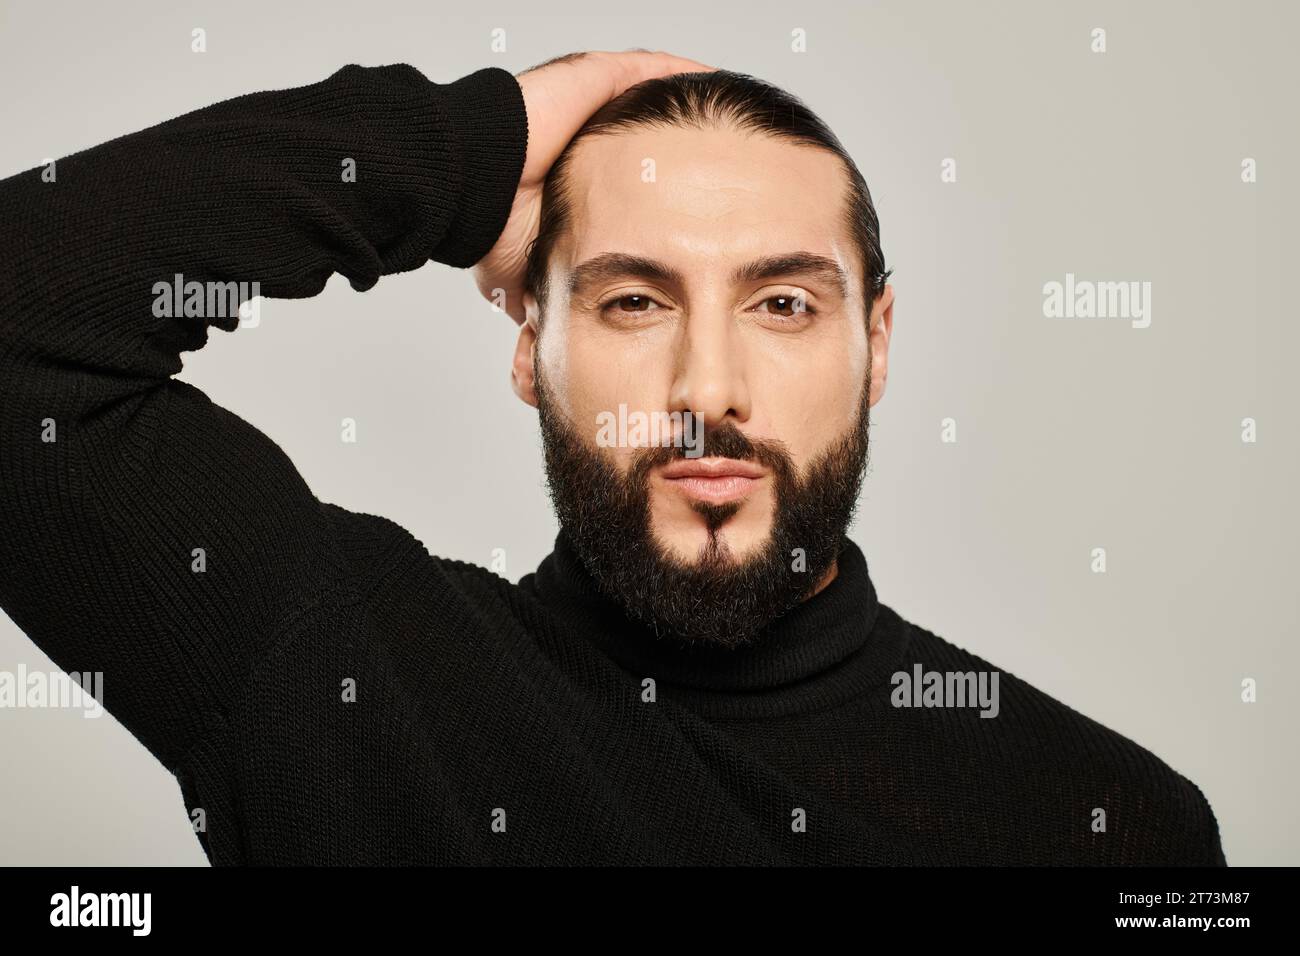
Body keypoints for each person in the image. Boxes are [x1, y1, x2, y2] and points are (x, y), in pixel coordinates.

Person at [0, 50, 1225, 865]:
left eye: (784, 305)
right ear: (532, 344)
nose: (706, 391)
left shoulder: (1113, 826)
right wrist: (472, 146)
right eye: (634, 302)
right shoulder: (337, 673)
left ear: (877, 343)